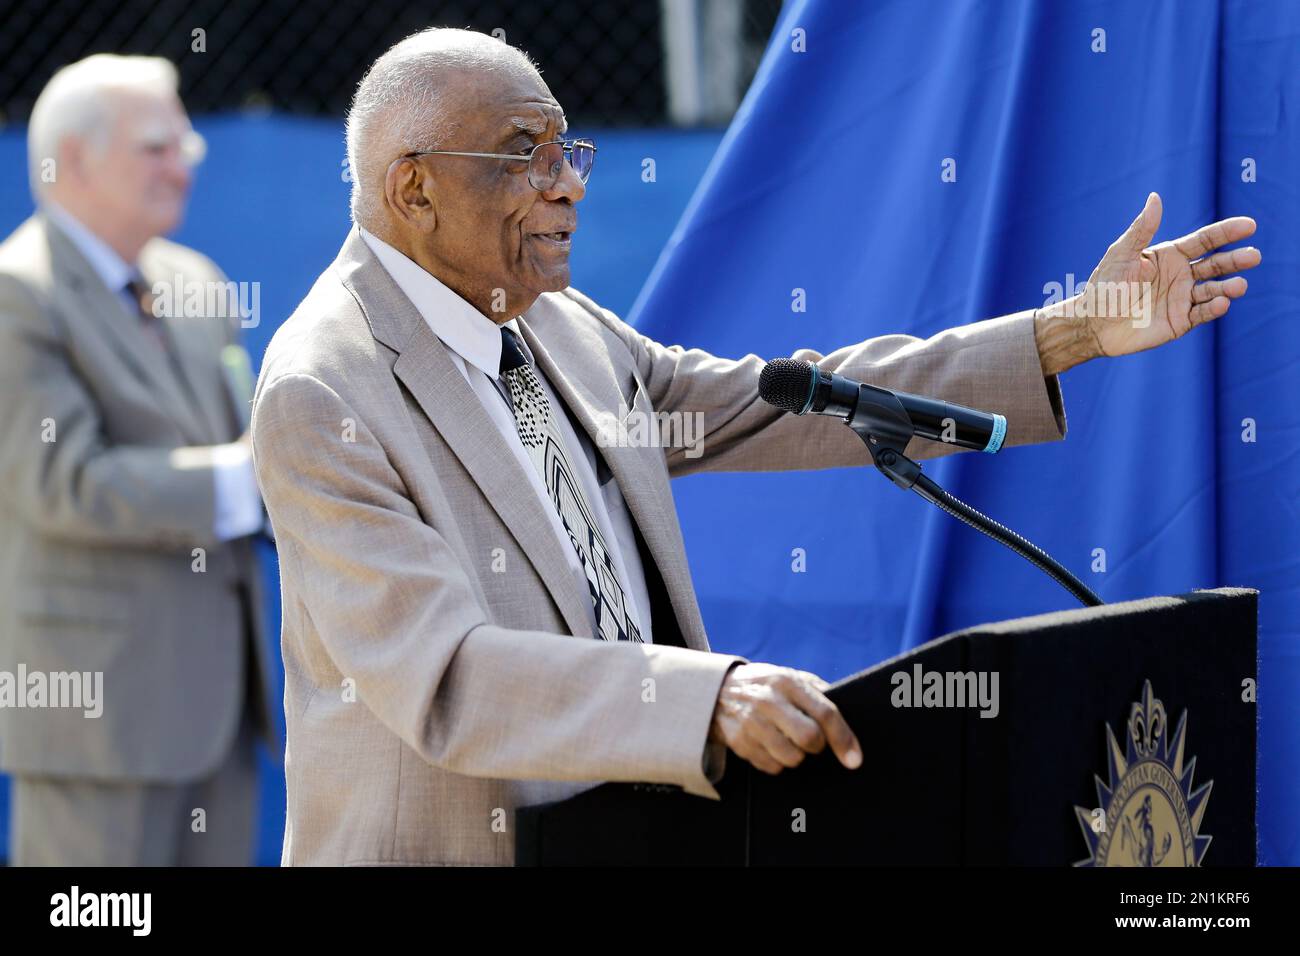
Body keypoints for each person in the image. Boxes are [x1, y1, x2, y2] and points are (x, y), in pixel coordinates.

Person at [251, 28, 1260, 866]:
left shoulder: (555, 325)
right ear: (413, 189)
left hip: (633, 834)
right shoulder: (322, 391)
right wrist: (706, 693)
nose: (568, 185)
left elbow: (780, 401)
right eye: (527, 154)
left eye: (570, 151)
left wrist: (1071, 331)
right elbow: (447, 676)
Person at [0, 54, 279, 865]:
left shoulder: (198, 284)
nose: (186, 158)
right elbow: (66, 483)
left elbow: (255, 452)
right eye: (158, 145)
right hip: (100, 722)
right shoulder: (17, 295)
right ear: (73, 159)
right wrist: (255, 476)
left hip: (222, 705)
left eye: (185, 140)